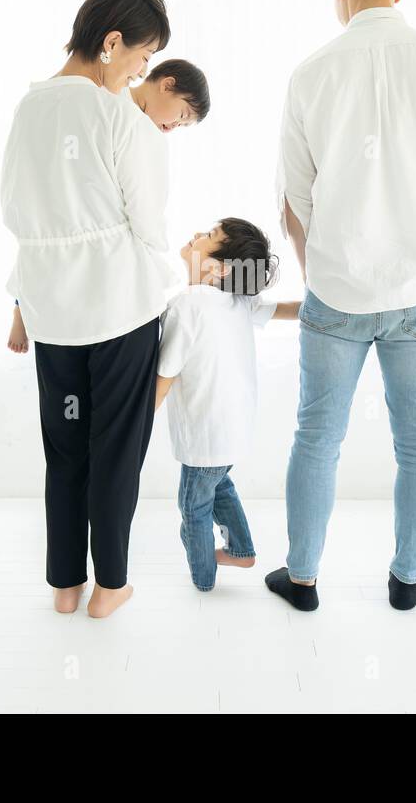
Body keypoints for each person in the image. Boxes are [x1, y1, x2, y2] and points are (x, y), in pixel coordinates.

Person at [266, 0, 416, 613]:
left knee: (316, 436)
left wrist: (319, 273)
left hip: (335, 291)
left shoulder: (311, 74)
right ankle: (408, 578)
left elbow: (292, 204)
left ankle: (301, 578)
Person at [0, 0, 176, 619]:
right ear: (111, 43)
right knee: (116, 452)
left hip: (53, 315)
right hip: (120, 311)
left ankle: (65, 587)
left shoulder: (28, 108)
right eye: (142, 58)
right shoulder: (117, 117)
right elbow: (150, 226)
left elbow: (15, 214)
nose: (140, 74)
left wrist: (23, 296)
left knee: (67, 450)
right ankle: (112, 586)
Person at [8, 58, 211, 355]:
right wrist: (156, 241)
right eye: (180, 115)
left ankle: (21, 303)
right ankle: (20, 304)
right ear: (167, 84)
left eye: (181, 125)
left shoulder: (119, 113)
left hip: (76, 256)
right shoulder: (111, 105)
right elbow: (146, 216)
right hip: (81, 252)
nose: (173, 126)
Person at [153, 219, 300, 592]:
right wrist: (320, 308)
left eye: (208, 236)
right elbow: (280, 309)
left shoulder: (188, 303)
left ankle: (203, 578)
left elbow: (166, 374)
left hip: (204, 435)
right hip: (233, 431)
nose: (195, 234)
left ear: (220, 268)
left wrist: (133, 426)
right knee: (219, 486)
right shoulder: (236, 302)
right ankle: (242, 550)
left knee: (193, 507)